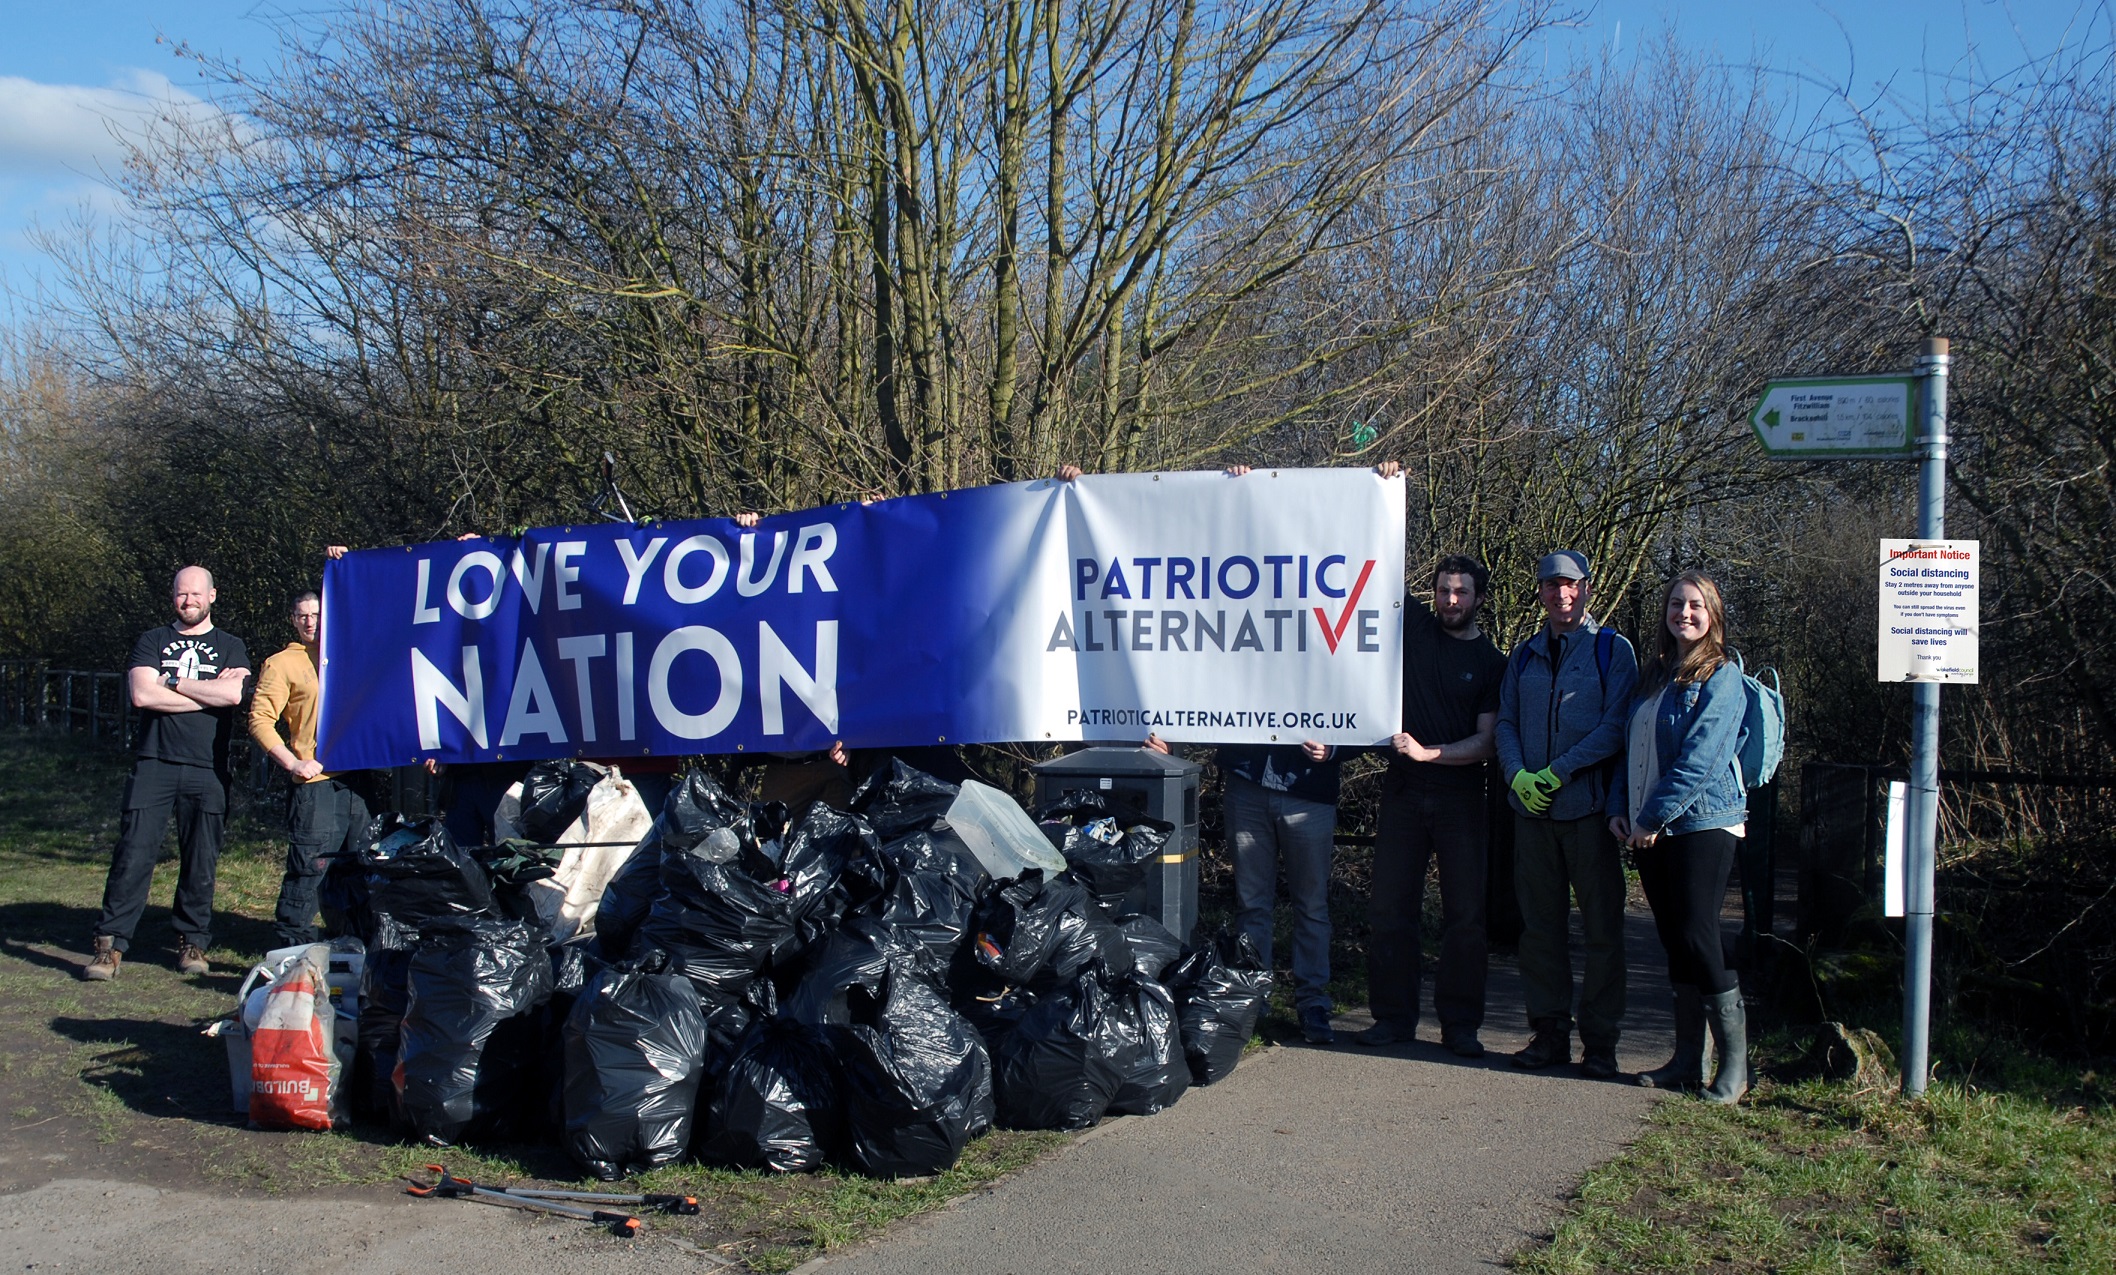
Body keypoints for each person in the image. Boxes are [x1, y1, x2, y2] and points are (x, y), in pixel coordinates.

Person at [1608, 570, 1750, 1103]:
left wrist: (1653, 816)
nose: (1683, 613)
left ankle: (1735, 1067)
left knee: (1697, 933)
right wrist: (1620, 810)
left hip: (1701, 823)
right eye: (1675, 604)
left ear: (1711, 613)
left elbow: (1701, 760)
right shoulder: (1655, 676)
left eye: (1694, 605)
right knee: (1674, 941)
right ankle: (1688, 1060)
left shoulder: (1722, 676)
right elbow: (1631, 748)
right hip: (1648, 826)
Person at [1494, 549, 1638, 1076]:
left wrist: (1559, 771)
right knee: (1540, 929)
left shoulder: (1612, 651)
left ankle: (1600, 1043)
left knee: (1603, 929)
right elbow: (1506, 722)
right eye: (1552, 586)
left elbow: (1616, 727)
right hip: (1531, 815)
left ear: (1587, 589)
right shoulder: (1524, 654)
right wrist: (1518, 775)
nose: (1562, 595)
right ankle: (1548, 1033)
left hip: (1588, 812)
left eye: (1571, 585)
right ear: (1541, 592)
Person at [1357, 550, 1506, 1056]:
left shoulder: (1492, 664)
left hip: (1461, 798)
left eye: (1461, 592)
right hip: (1402, 793)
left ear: (1479, 599)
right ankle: (1393, 1019)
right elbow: (1371, 558)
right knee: (1390, 910)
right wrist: (1384, 478)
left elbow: (1487, 743)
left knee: (1465, 916)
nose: (1450, 600)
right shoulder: (1415, 630)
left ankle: (1460, 1026)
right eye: (1443, 590)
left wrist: (1430, 753)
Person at [83, 567, 251, 980]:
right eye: (181, 594)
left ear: (213, 595)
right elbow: (142, 694)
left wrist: (172, 682)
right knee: (133, 855)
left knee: (200, 861)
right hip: (154, 763)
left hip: (207, 769)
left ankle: (193, 942)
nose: (188, 601)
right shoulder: (152, 640)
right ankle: (110, 945)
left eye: (196, 594)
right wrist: (204, 693)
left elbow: (233, 694)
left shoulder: (231, 646)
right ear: (172, 596)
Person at [250, 589, 371, 949]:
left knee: (360, 869)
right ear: (292, 620)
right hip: (314, 783)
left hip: (357, 780)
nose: (309, 622)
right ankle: (293, 953)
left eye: (316, 614)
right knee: (309, 868)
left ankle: (353, 948)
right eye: (301, 615)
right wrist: (293, 762)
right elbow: (259, 720)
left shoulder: (350, 654)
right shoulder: (281, 663)